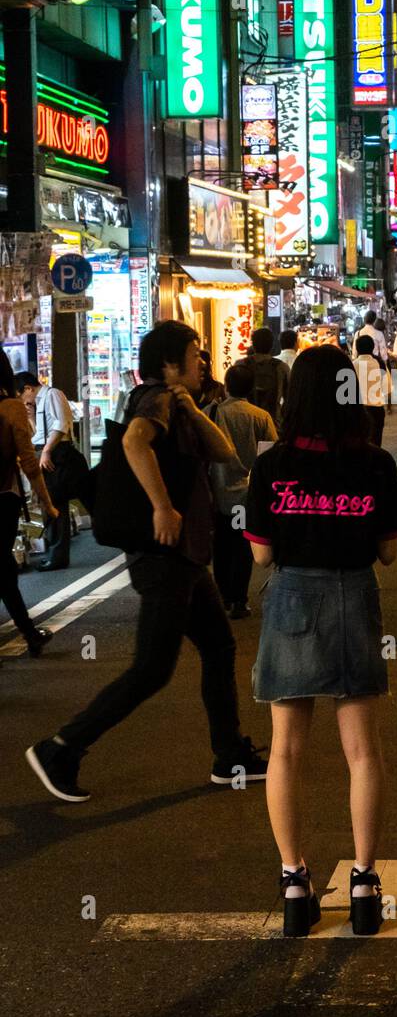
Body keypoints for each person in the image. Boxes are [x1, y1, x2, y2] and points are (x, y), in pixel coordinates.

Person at [25, 321, 267, 804]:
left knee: (218, 648)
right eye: (195, 356)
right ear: (170, 364)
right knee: (152, 669)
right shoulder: (155, 398)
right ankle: (62, 748)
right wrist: (162, 505)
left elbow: (224, 454)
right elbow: (135, 442)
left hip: (185, 558)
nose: (203, 363)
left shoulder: (174, 402)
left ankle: (230, 753)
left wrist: (192, 408)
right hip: (164, 557)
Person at [244, 345, 397, 938]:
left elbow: (261, 552)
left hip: (292, 597)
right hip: (354, 596)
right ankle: (364, 883)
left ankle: (294, 883)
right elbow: (388, 549)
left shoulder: (272, 465)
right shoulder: (375, 463)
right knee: (362, 750)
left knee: (285, 750)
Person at [0, 350, 59, 655]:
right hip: (3, 499)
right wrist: (48, 505)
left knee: (5, 569)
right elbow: (29, 463)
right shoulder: (11, 407)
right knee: (4, 568)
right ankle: (28, 632)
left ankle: (28, 632)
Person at [210, 360, 278, 620]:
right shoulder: (260, 416)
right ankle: (239, 600)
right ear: (250, 388)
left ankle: (223, 597)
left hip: (218, 491)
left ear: (226, 386)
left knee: (221, 547)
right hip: (246, 495)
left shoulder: (212, 412)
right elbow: (270, 455)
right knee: (241, 548)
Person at [15, 371, 76, 571]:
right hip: (44, 451)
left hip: (55, 453)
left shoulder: (53, 394)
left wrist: (47, 451)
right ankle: (53, 552)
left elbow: (61, 425)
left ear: (28, 389)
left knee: (55, 502)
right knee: (46, 502)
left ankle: (58, 555)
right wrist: (30, 417)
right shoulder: (38, 402)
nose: (22, 400)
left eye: (21, 395)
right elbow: (39, 433)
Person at [249, 327, 289, 425]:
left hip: (247, 421)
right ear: (272, 345)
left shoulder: (241, 365)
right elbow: (289, 398)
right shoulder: (281, 367)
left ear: (253, 344)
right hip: (273, 421)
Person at [354, 335, 387, 447]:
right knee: (376, 444)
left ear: (357, 348)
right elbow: (387, 387)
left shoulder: (352, 365)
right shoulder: (379, 363)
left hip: (357, 410)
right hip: (376, 409)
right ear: (372, 347)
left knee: (358, 443)